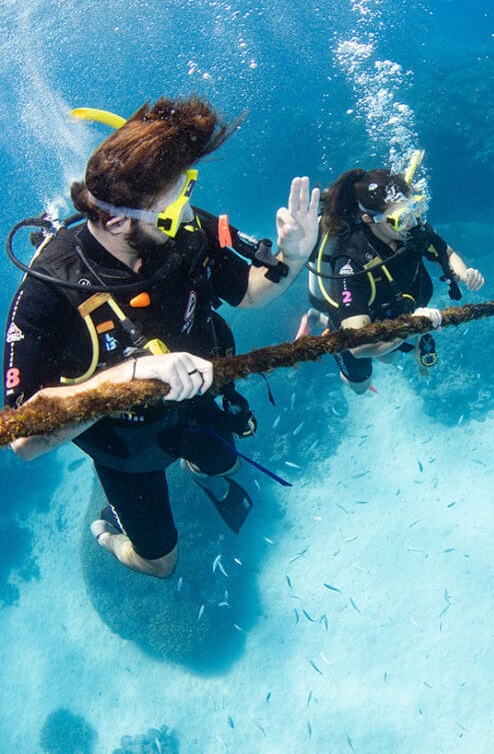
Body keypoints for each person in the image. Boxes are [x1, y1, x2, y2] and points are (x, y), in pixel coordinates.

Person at [3, 96, 319, 578]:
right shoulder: (49, 290)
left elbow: (249, 294)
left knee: (225, 466)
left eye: (187, 188)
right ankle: (107, 534)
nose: (188, 211)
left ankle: (199, 469)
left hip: (196, 401)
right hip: (125, 449)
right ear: (115, 220)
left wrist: (294, 256)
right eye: (171, 207)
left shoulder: (185, 226)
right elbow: (24, 439)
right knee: (161, 562)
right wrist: (127, 375)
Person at [299, 165, 485, 393]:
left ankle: (321, 320)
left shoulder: (414, 231)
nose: (411, 223)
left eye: (413, 210)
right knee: (360, 385)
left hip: (398, 312)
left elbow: (446, 253)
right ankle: (326, 322)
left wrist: (463, 273)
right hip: (362, 324)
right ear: (368, 219)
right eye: (400, 218)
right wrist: (410, 327)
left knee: (390, 358)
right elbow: (359, 345)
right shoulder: (350, 262)